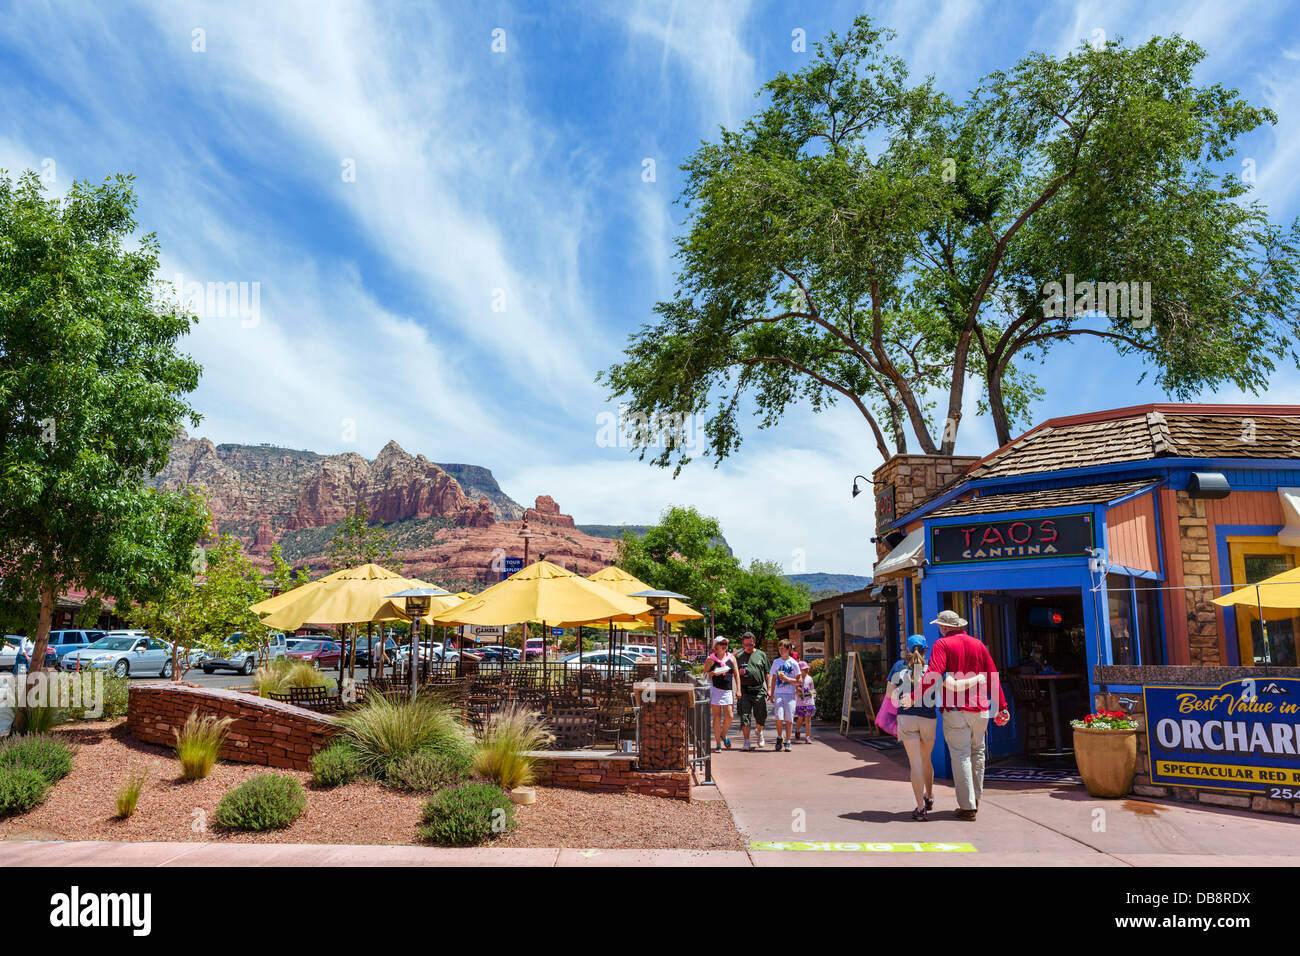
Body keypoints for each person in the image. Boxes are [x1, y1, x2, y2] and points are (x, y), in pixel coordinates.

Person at [890, 634, 987, 821]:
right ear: (926, 650)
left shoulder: (898, 667)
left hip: (906, 718)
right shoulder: (934, 670)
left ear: (908, 650)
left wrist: (902, 696)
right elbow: (956, 686)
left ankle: (920, 808)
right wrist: (978, 679)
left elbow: (889, 695)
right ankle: (929, 796)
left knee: (915, 764)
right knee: (927, 760)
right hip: (928, 719)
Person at [925, 610, 1009, 821]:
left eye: (939, 626)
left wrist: (915, 695)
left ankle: (967, 806)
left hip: (955, 709)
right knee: (977, 752)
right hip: (980, 708)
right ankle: (975, 799)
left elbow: (934, 673)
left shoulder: (942, 644)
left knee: (960, 755)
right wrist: (1002, 706)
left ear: (944, 627)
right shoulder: (978, 644)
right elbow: (992, 675)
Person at [734, 632, 769, 751]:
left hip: (759, 689)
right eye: (745, 644)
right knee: (745, 716)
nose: (748, 646)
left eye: (750, 644)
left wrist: (769, 689)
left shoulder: (761, 655)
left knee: (761, 715)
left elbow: (767, 673)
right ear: (743, 644)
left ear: (754, 642)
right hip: (745, 690)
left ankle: (759, 732)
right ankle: (747, 741)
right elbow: (735, 675)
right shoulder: (738, 656)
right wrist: (739, 673)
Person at [704, 636, 741, 750]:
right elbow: (705, 675)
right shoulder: (711, 659)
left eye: (726, 644)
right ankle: (718, 744)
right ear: (716, 646)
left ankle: (723, 734)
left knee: (729, 716)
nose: (724, 646)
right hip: (715, 689)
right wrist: (713, 673)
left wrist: (738, 689)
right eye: (722, 644)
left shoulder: (731, 658)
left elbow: (737, 674)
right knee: (717, 717)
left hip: (727, 690)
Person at [767, 639, 801, 751]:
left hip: (790, 694)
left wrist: (788, 679)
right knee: (779, 716)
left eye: (783, 649)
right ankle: (779, 737)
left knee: (789, 718)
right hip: (779, 693)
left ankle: (788, 740)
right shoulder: (776, 662)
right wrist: (771, 694)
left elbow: (799, 680)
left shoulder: (794, 663)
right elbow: (773, 678)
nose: (781, 651)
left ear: (788, 649)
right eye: (779, 648)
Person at [793, 660, 815, 744]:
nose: (806, 670)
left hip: (809, 702)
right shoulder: (797, 679)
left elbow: (812, 690)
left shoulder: (810, 679)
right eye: (804, 669)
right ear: (799, 670)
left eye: (807, 669)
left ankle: (807, 737)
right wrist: (797, 690)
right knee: (800, 720)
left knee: (808, 720)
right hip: (800, 703)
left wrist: (813, 697)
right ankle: (797, 730)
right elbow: (795, 690)